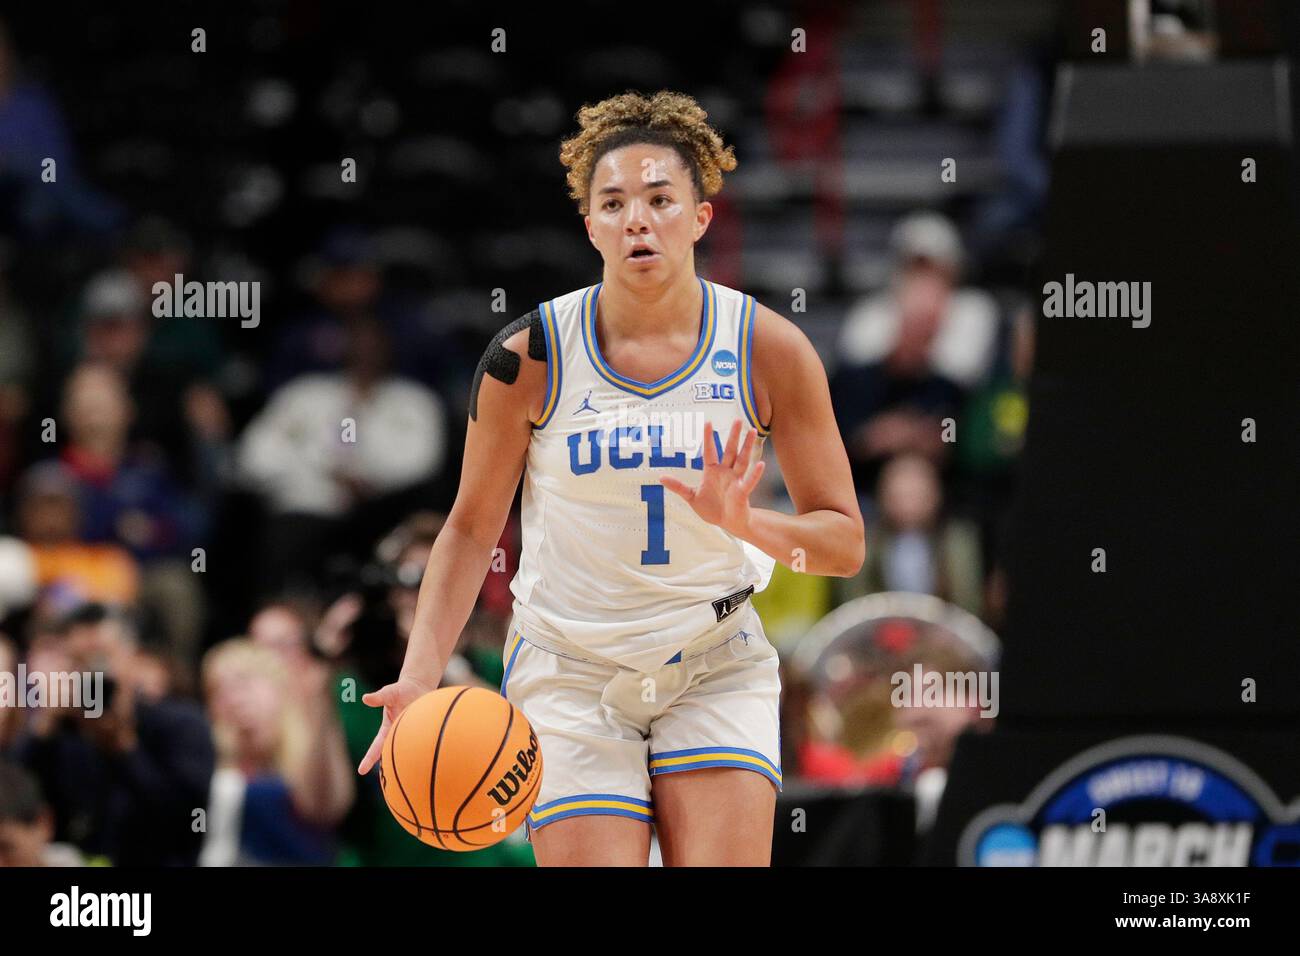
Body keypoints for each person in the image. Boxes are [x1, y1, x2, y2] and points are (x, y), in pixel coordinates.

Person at [356, 90, 864, 867]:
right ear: (589, 225)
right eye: (615, 201)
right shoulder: (529, 356)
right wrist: (418, 679)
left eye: (661, 199)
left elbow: (842, 545)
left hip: (713, 655)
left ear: (700, 217)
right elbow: (468, 528)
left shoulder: (770, 349)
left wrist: (745, 522)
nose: (638, 219)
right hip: (569, 665)